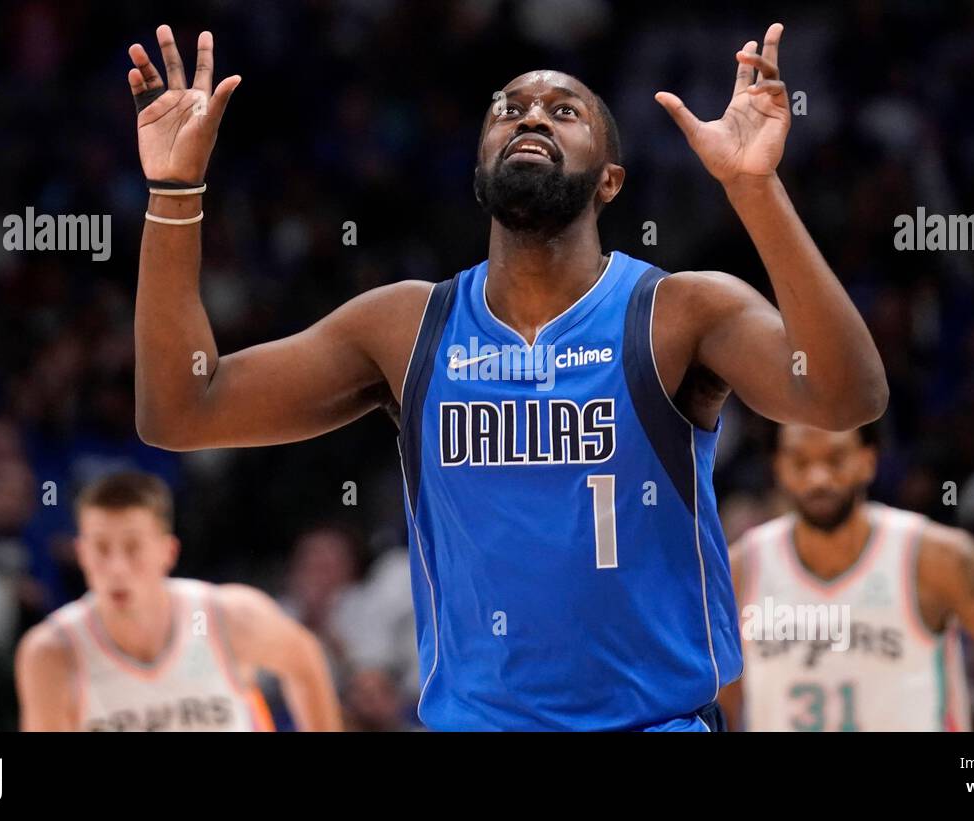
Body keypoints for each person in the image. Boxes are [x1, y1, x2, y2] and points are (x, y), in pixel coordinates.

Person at [126, 22, 886, 730]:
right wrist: (173, 196)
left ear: (611, 181)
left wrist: (755, 189)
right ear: (480, 163)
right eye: (508, 109)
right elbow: (182, 408)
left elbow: (847, 394)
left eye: (564, 111)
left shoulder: (679, 312)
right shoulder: (403, 327)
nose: (530, 118)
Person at [721, 424, 974, 731]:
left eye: (836, 458)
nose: (819, 478)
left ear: (868, 460)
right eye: (799, 460)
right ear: (777, 466)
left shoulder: (937, 558)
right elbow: (723, 710)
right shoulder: (741, 570)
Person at [15, 471, 342, 731]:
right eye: (101, 548)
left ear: (167, 551)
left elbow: (306, 662)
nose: (116, 568)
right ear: (81, 554)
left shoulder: (228, 616)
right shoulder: (52, 651)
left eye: (132, 547)